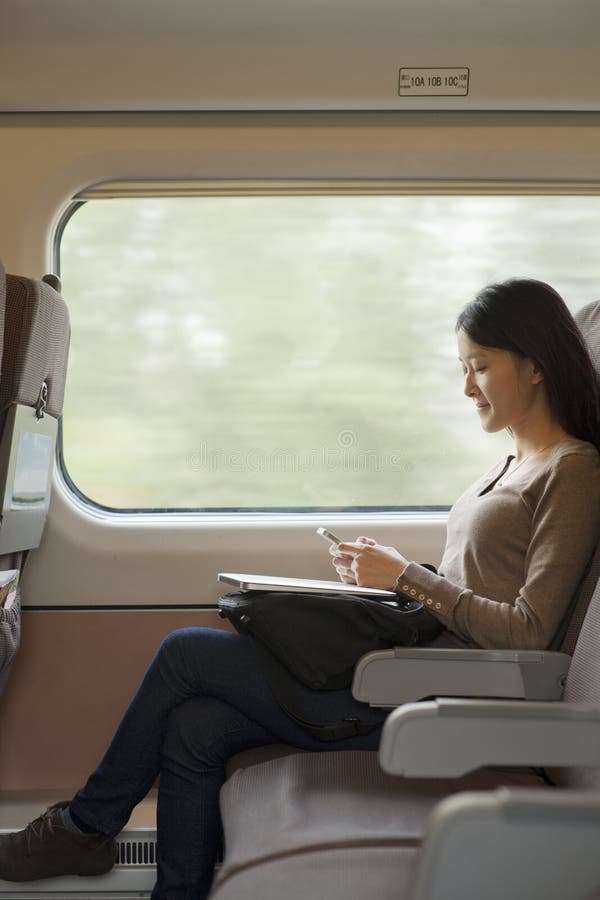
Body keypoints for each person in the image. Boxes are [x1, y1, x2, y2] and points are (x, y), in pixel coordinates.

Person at [1, 278, 599, 900]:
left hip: (434, 702)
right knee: (195, 728)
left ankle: (83, 829)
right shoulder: (507, 465)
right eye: (462, 369)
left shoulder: (573, 470)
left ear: (534, 365)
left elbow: (530, 632)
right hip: (409, 673)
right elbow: (468, 588)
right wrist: (387, 578)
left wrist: (407, 577)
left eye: (481, 367)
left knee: (184, 653)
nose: (467, 387)